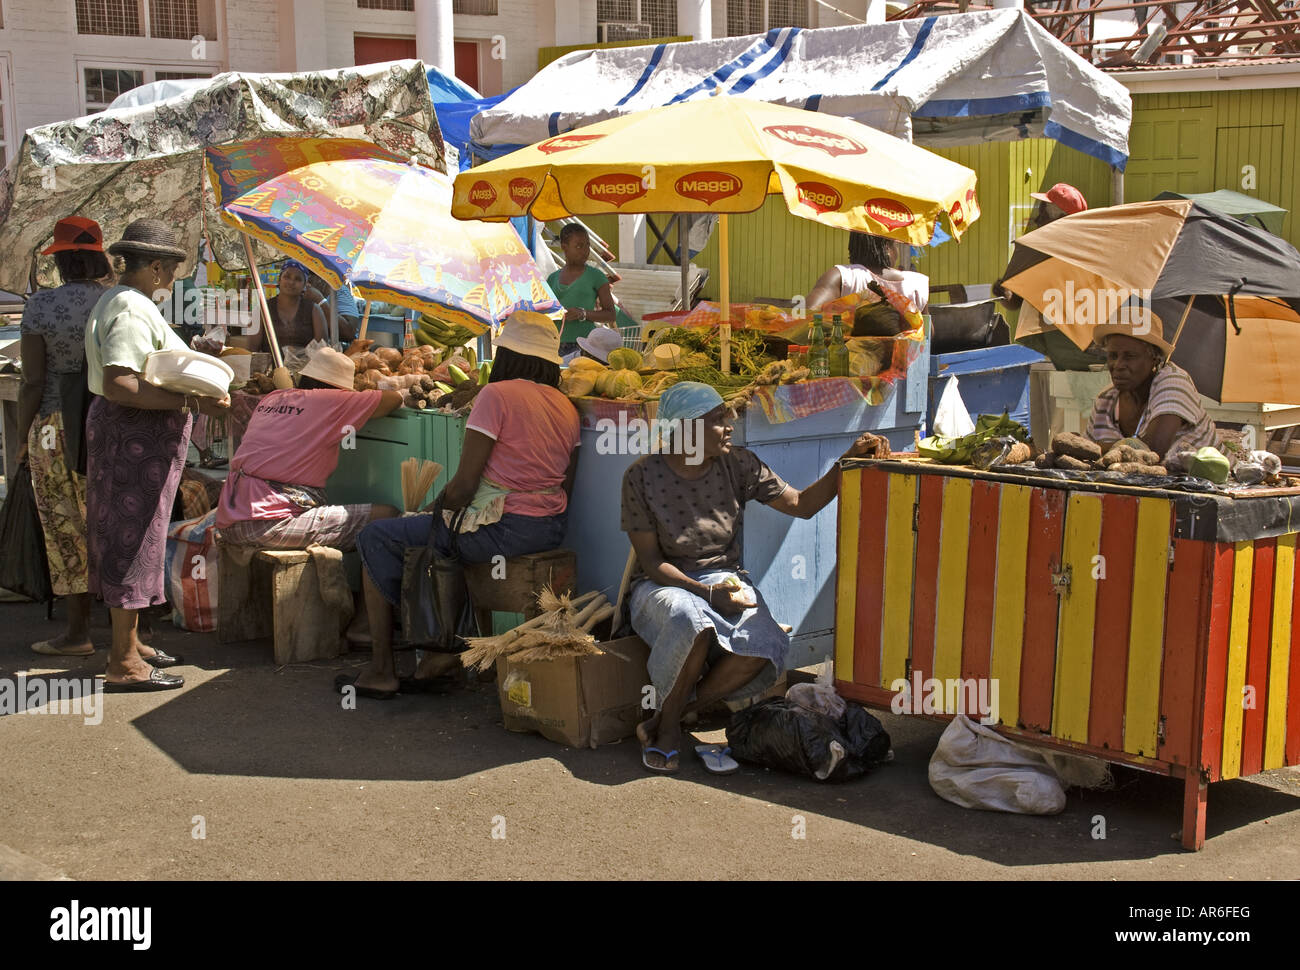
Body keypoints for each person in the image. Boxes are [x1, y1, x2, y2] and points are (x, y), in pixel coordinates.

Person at [622, 381, 892, 774]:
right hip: (663, 585)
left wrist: (846, 461)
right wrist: (707, 594)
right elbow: (650, 562)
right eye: (718, 419)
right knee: (690, 619)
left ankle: (669, 718)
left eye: (727, 416)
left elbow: (802, 505)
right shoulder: (641, 476)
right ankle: (667, 733)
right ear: (686, 429)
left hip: (725, 578)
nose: (730, 425)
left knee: (764, 643)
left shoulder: (739, 463)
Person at [343, 310, 581, 699]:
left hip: (502, 528)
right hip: (548, 527)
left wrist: (432, 511)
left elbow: (464, 486)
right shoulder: (566, 406)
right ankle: (445, 653)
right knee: (441, 540)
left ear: (505, 356)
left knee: (377, 536)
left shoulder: (496, 395)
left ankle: (381, 668)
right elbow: (565, 484)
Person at [85, 218, 230, 691]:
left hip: (141, 439)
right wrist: (192, 401)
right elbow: (120, 383)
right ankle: (123, 661)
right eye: (168, 270)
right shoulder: (129, 306)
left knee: (141, 535)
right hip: (133, 438)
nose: (170, 280)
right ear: (152, 267)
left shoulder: (126, 302)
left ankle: (133, 643)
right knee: (130, 537)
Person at [16, 217, 110, 657]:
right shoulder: (118, 302)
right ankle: (135, 631)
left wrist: (22, 436)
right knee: (112, 520)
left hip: (54, 428)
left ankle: (77, 633)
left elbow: (32, 381)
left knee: (65, 527)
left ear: (62, 261)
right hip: (109, 423)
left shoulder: (40, 306)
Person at [216, 347, 402, 550]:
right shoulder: (332, 401)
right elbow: (394, 399)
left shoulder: (273, 397)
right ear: (340, 389)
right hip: (269, 524)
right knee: (387, 518)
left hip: (230, 519)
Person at [1086, 312, 1216, 465]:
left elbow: (1151, 452)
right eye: (1113, 356)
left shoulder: (1173, 382)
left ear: (1154, 358)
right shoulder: (1105, 400)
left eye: (1130, 356)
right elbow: (1084, 454)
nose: (1118, 365)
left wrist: (1098, 448)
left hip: (1215, 484)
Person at [807, 231, 929, 334]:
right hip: (905, 361)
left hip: (848, 359)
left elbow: (806, 317)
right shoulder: (915, 284)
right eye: (895, 246)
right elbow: (929, 333)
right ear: (887, 247)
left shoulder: (841, 276)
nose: (897, 252)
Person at [994, 182, 1087, 309]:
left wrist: (1004, 292)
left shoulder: (1033, 249)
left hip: (1047, 325)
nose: (1040, 214)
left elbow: (1013, 302)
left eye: (1046, 207)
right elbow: (1014, 301)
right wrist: (1004, 291)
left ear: (1060, 217)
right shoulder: (1093, 247)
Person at [547, 223, 636, 355]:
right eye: (579, 246)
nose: (585, 251)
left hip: (584, 346)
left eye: (587, 245)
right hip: (553, 346)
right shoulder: (552, 278)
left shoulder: (596, 276)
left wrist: (582, 313)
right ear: (564, 248)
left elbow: (611, 314)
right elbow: (544, 312)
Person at [234, 259, 326, 354]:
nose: (291, 282)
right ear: (279, 280)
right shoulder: (263, 310)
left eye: (298, 279)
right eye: (287, 277)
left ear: (305, 285)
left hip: (307, 367)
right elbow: (251, 350)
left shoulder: (314, 310)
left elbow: (322, 350)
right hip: (271, 367)